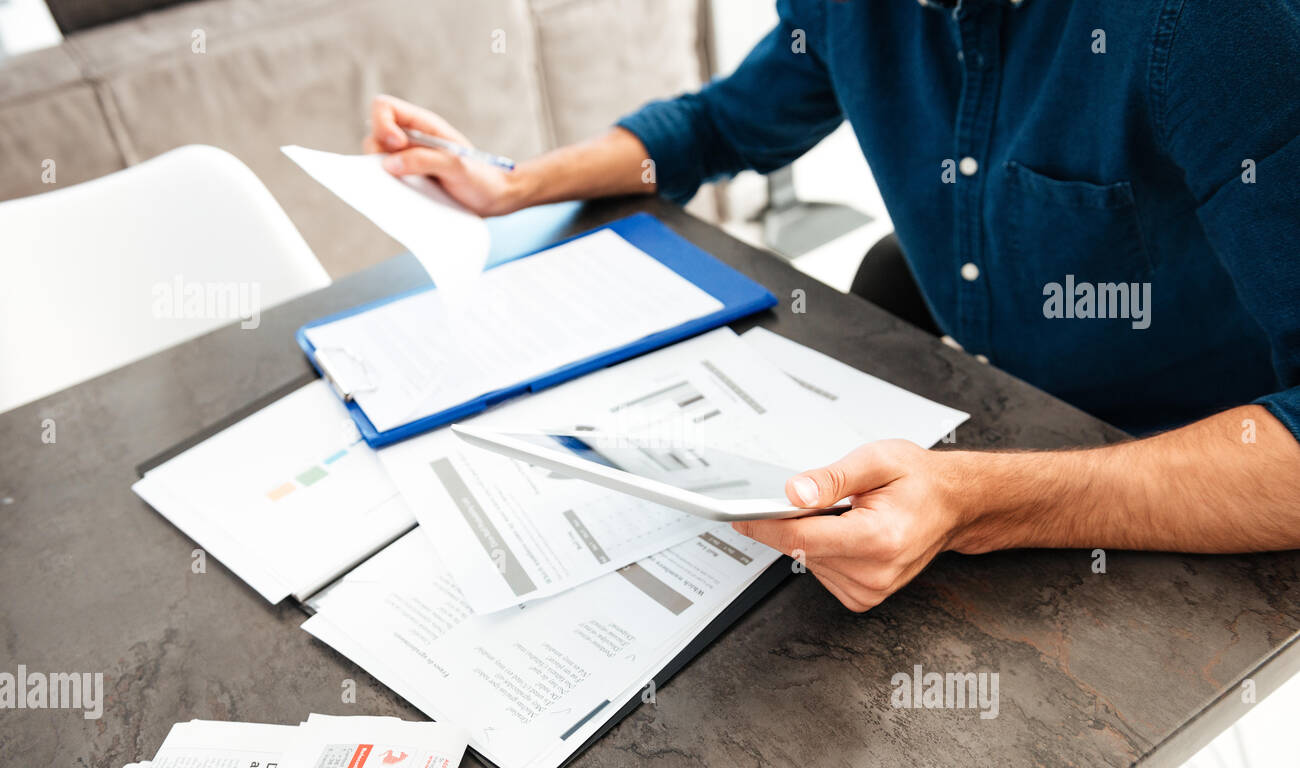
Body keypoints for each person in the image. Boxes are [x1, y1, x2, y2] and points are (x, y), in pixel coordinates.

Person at [365, 0, 1300, 612]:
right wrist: (511, 182)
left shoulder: (1224, 25)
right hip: (995, 404)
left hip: (1192, 471)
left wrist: (980, 505)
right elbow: (720, 124)